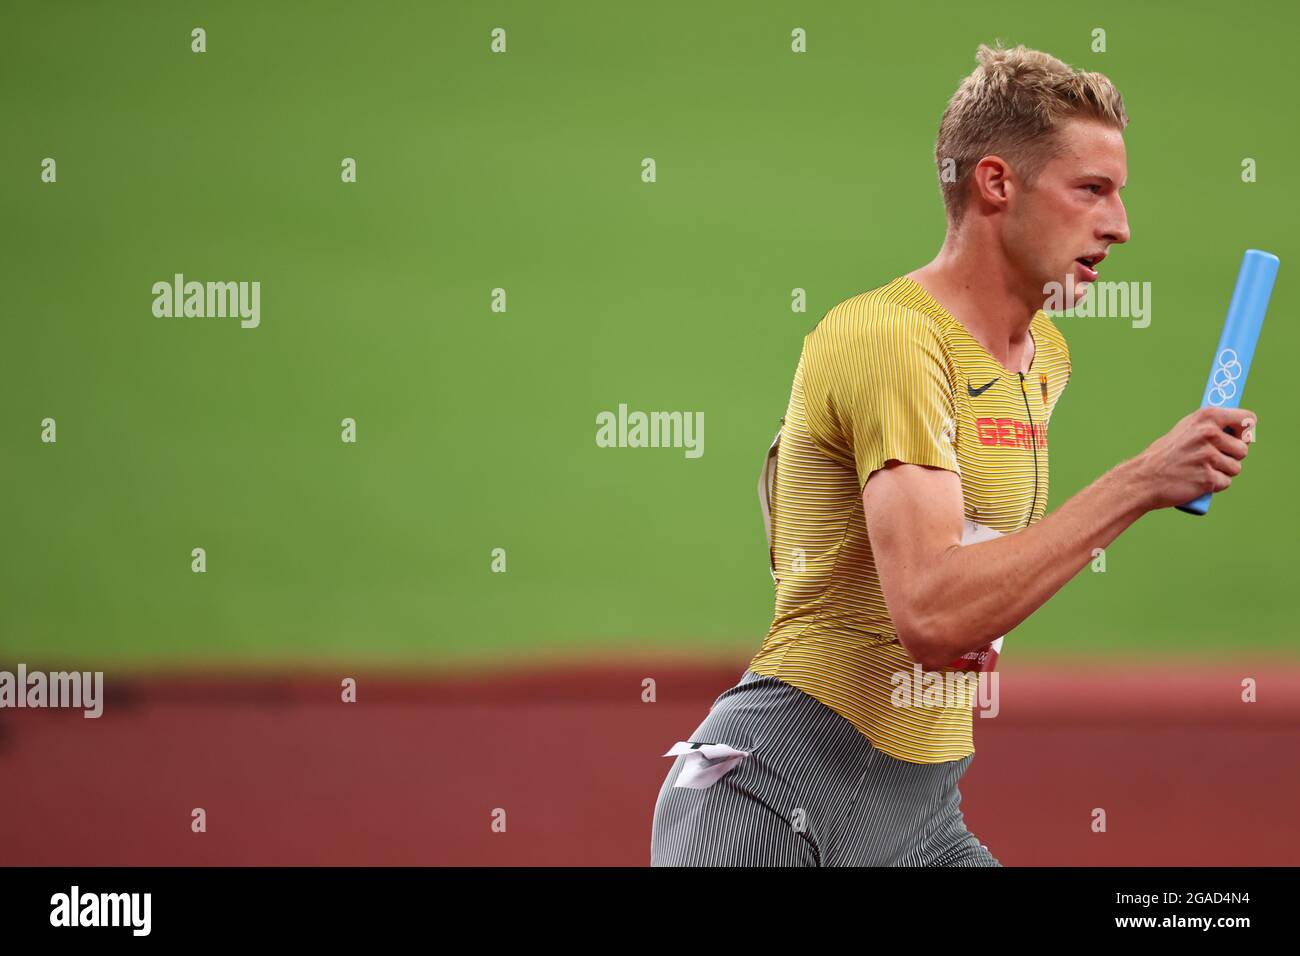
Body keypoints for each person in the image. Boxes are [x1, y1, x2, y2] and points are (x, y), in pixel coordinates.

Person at [650, 43, 1257, 867]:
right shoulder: (889, 338)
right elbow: (933, 615)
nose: (1121, 225)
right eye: (1092, 190)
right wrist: (1141, 482)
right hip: (775, 793)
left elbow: (966, 574)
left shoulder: (1044, 357)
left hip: (921, 812)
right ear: (997, 184)